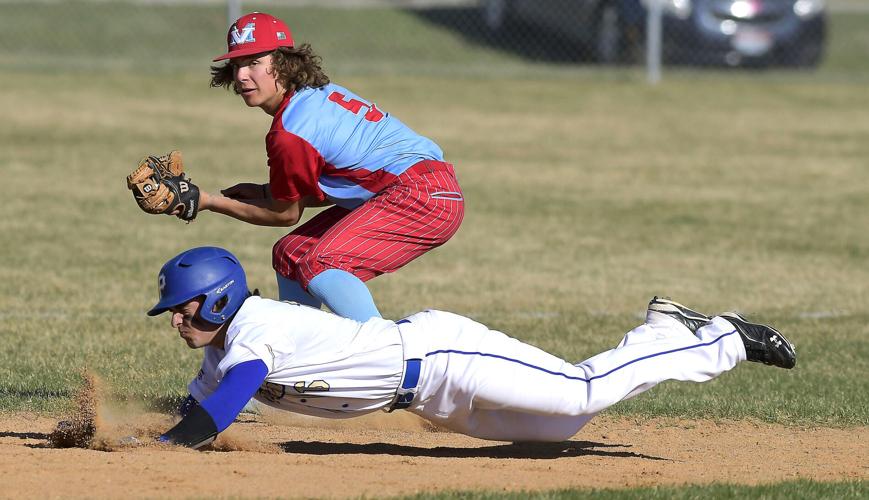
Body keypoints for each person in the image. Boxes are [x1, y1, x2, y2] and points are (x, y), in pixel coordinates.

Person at [148, 247, 796, 449]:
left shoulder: (255, 331)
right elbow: (198, 406)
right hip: (427, 401)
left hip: (442, 354)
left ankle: (721, 338)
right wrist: (98, 433)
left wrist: (168, 450)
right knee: (568, 424)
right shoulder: (221, 352)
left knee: (581, 389)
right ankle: (658, 332)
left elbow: (222, 406)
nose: (175, 321)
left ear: (220, 298)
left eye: (183, 308)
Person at [193, 12, 464, 322]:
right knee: (290, 254)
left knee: (323, 263)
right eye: (237, 64)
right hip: (419, 189)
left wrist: (210, 202)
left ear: (283, 63)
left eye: (254, 62)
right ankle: (299, 356)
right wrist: (265, 192)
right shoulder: (311, 98)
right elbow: (340, 180)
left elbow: (285, 214)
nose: (241, 75)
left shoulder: (291, 131)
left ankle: (388, 352)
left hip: (422, 197)